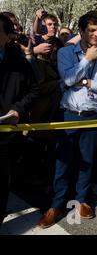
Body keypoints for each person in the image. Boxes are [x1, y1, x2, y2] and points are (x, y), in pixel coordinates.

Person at [37, 11, 97, 229]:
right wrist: (86, 60)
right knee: (63, 162)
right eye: (91, 30)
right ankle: (56, 204)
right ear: (80, 31)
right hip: (69, 114)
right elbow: (69, 79)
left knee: (87, 161)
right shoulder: (65, 53)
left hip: (93, 117)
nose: (95, 35)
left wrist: (89, 83)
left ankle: (82, 200)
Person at [0, 14, 39, 226]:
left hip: (6, 134)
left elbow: (34, 90)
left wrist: (17, 110)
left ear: (7, 36)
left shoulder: (19, 61)